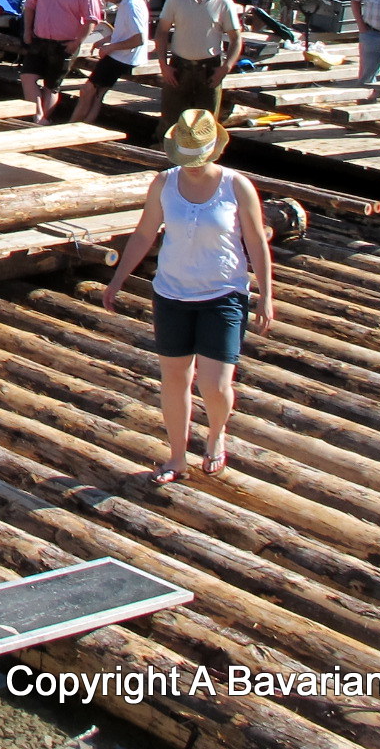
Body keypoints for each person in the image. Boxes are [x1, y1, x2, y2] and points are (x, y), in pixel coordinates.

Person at [100, 110, 274, 483]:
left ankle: (216, 433)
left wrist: (266, 294)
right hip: (172, 292)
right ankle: (177, 456)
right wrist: (117, 280)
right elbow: (145, 233)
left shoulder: (236, 186)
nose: (191, 166)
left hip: (223, 292)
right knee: (175, 377)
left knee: (215, 384)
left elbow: (256, 241)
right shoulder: (163, 183)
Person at [18, 0, 105, 122]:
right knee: (27, 77)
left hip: (65, 43)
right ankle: (39, 117)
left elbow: (92, 20)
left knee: (52, 86)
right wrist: (27, 31)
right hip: (40, 39)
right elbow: (30, 6)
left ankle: (41, 120)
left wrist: (77, 42)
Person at [153, 0, 244, 125]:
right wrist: (164, 66)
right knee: (170, 123)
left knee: (206, 126)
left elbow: (236, 39)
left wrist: (225, 69)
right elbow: (162, 32)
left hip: (209, 71)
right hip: (178, 68)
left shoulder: (224, 2)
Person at [74, 0, 152, 122]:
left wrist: (111, 48)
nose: (107, 1)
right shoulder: (126, 2)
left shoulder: (132, 6)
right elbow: (125, 31)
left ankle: (72, 125)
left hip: (125, 58)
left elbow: (138, 39)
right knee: (97, 93)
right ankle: (85, 124)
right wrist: (105, 40)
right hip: (122, 54)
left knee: (87, 90)